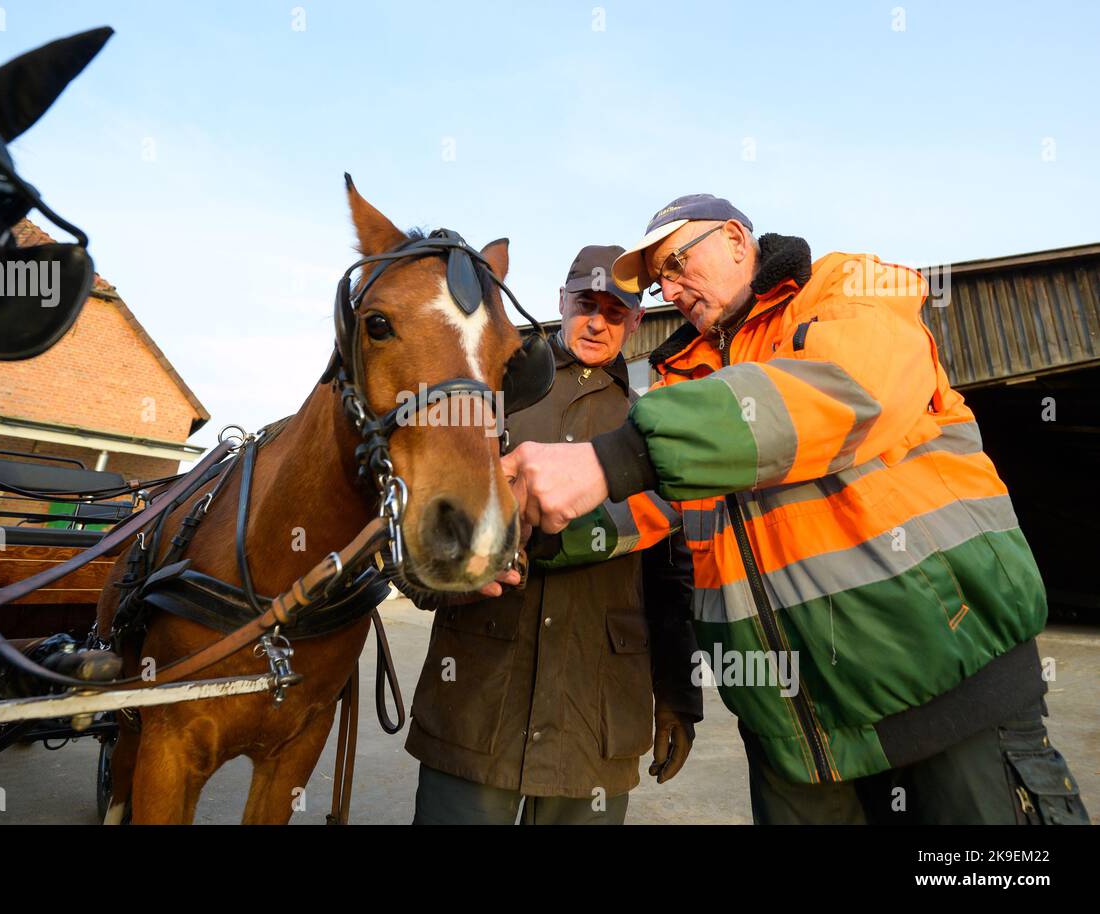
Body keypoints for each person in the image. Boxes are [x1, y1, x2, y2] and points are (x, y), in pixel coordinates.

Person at [502, 195, 1090, 824]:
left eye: (676, 263)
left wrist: (608, 459)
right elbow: (637, 508)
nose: (669, 289)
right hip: (790, 732)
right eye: (658, 281)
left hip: (948, 690)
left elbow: (846, 390)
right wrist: (513, 535)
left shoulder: (843, 289)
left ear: (733, 238)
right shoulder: (680, 381)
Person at [406, 244, 701, 825]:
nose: (597, 321)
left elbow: (670, 576)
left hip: (593, 716)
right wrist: (453, 583)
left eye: (614, 310)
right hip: (478, 698)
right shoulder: (493, 399)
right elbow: (426, 532)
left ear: (636, 319)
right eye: (585, 303)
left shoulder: (651, 423)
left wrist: (676, 698)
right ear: (561, 303)